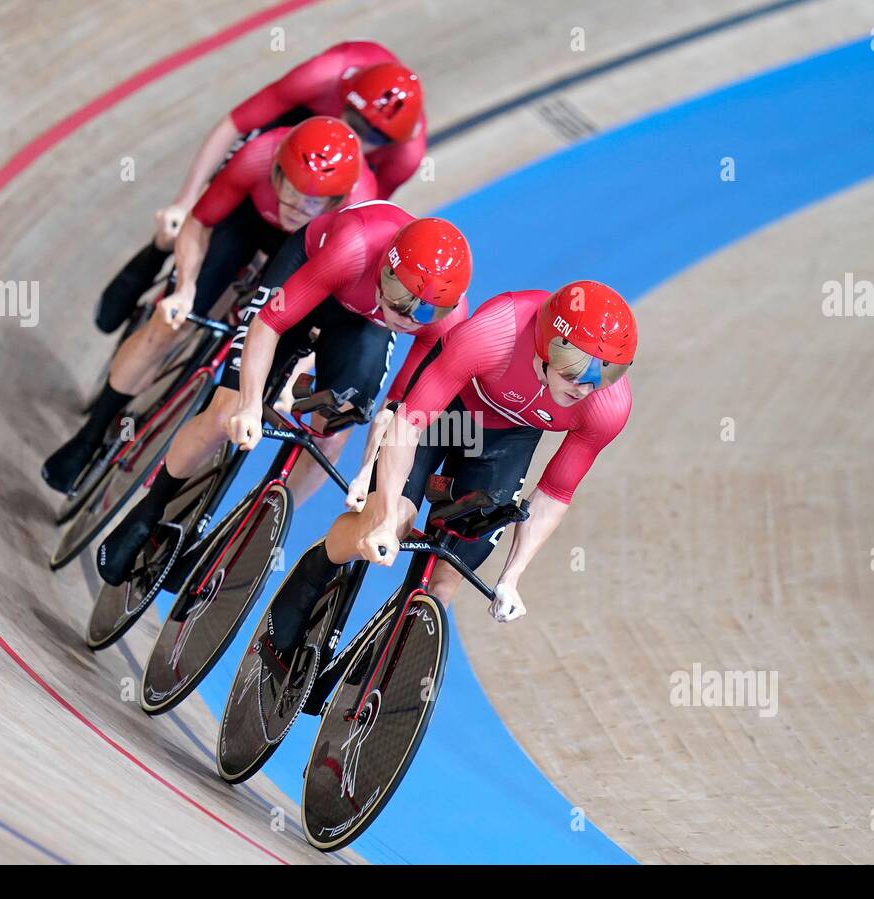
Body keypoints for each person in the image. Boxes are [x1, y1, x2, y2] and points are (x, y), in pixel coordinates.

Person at [92, 205, 473, 586]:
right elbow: (269, 323)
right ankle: (149, 509)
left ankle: (252, 527)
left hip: (362, 322)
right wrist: (248, 404)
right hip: (311, 272)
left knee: (331, 434)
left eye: (425, 311)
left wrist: (365, 473)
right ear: (387, 268)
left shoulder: (444, 322)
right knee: (225, 412)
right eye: (399, 295)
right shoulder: (354, 247)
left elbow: (397, 410)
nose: (407, 317)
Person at [260, 280, 637, 655]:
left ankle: (382, 669)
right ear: (546, 345)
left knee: (446, 576)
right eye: (575, 369)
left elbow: (555, 492)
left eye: (604, 374)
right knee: (390, 523)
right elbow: (409, 424)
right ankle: (315, 572)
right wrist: (387, 512)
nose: (585, 387)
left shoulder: (607, 407)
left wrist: (512, 576)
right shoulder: (496, 333)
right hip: (446, 412)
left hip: (507, 440)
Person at [42, 116, 373, 493]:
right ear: (277, 171)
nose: (297, 206)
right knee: (170, 323)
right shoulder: (257, 156)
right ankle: (90, 435)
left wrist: (304, 363)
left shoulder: (357, 214)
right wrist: (184, 289)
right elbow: (198, 223)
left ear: (338, 200)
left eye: (313, 200)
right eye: (291, 189)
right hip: (248, 223)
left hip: (307, 259)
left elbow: (334, 305)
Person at [95, 41, 426, 334]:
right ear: (345, 97)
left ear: (398, 141)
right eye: (356, 123)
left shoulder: (406, 157)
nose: (359, 138)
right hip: (298, 128)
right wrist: (186, 200)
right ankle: (160, 248)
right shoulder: (322, 75)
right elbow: (235, 124)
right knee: (215, 202)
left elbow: (362, 219)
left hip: (341, 172)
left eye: (377, 138)